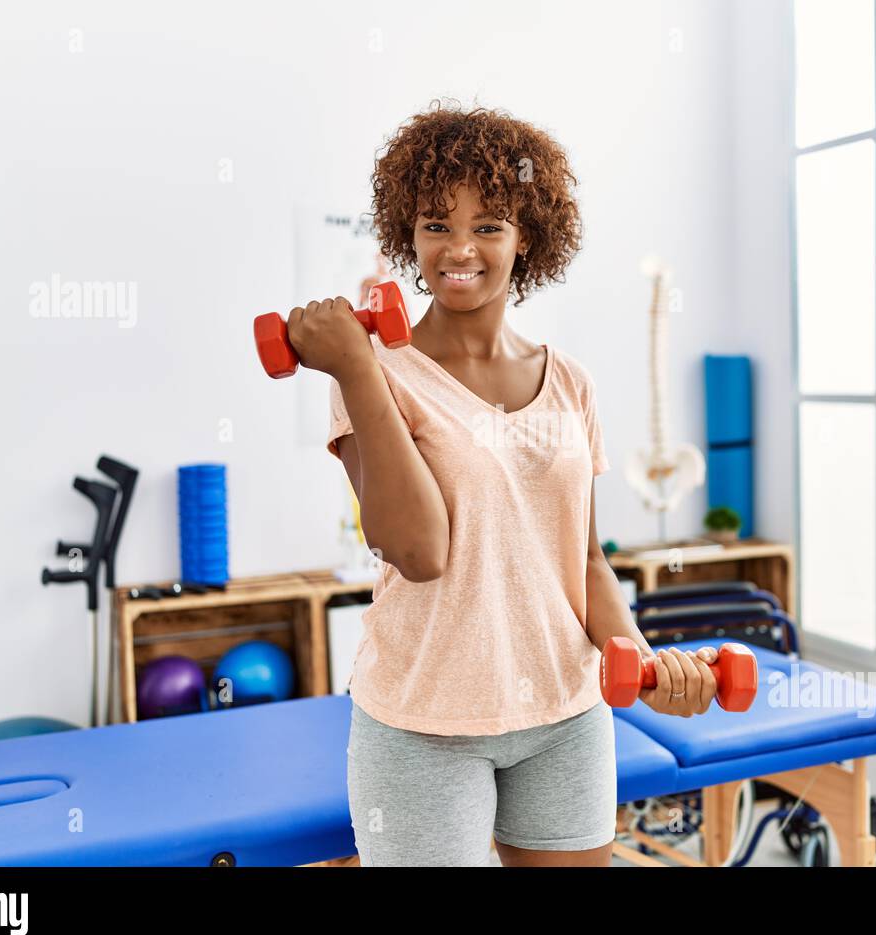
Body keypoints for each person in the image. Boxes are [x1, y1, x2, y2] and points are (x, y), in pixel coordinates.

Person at [288, 100, 722, 867]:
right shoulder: (374, 376)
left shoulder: (571, 383)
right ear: (407, 235)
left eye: (489, 224)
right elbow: (416, 548)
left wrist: (647, 664)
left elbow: (583, 564)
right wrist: (358, 366)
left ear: (528, 238)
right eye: (435, 225)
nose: (460, 248)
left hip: (565, 715)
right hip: (423, 724)